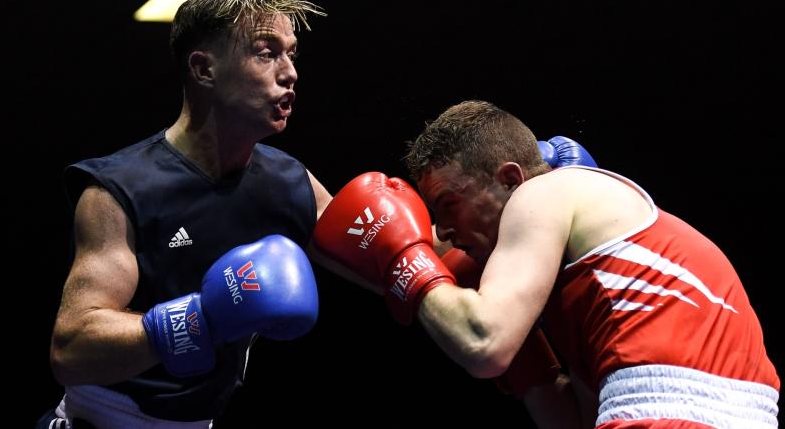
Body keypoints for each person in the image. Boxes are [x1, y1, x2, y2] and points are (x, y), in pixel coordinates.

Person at [312, 100, 780, 428]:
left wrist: (405, 258)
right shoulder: (593, 285)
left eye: (449, 204)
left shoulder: (545, 191)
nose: (446, 229)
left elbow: (483, 342)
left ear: (509, 178)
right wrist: (531, 366)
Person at [42, 0, 332, 428]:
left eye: (292, 55)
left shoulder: (289, 181)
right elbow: (71, 349)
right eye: (266, 53)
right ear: (203, 69)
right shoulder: (118, 189)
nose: (290, 73)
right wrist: (200, 319)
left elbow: (393, 258)